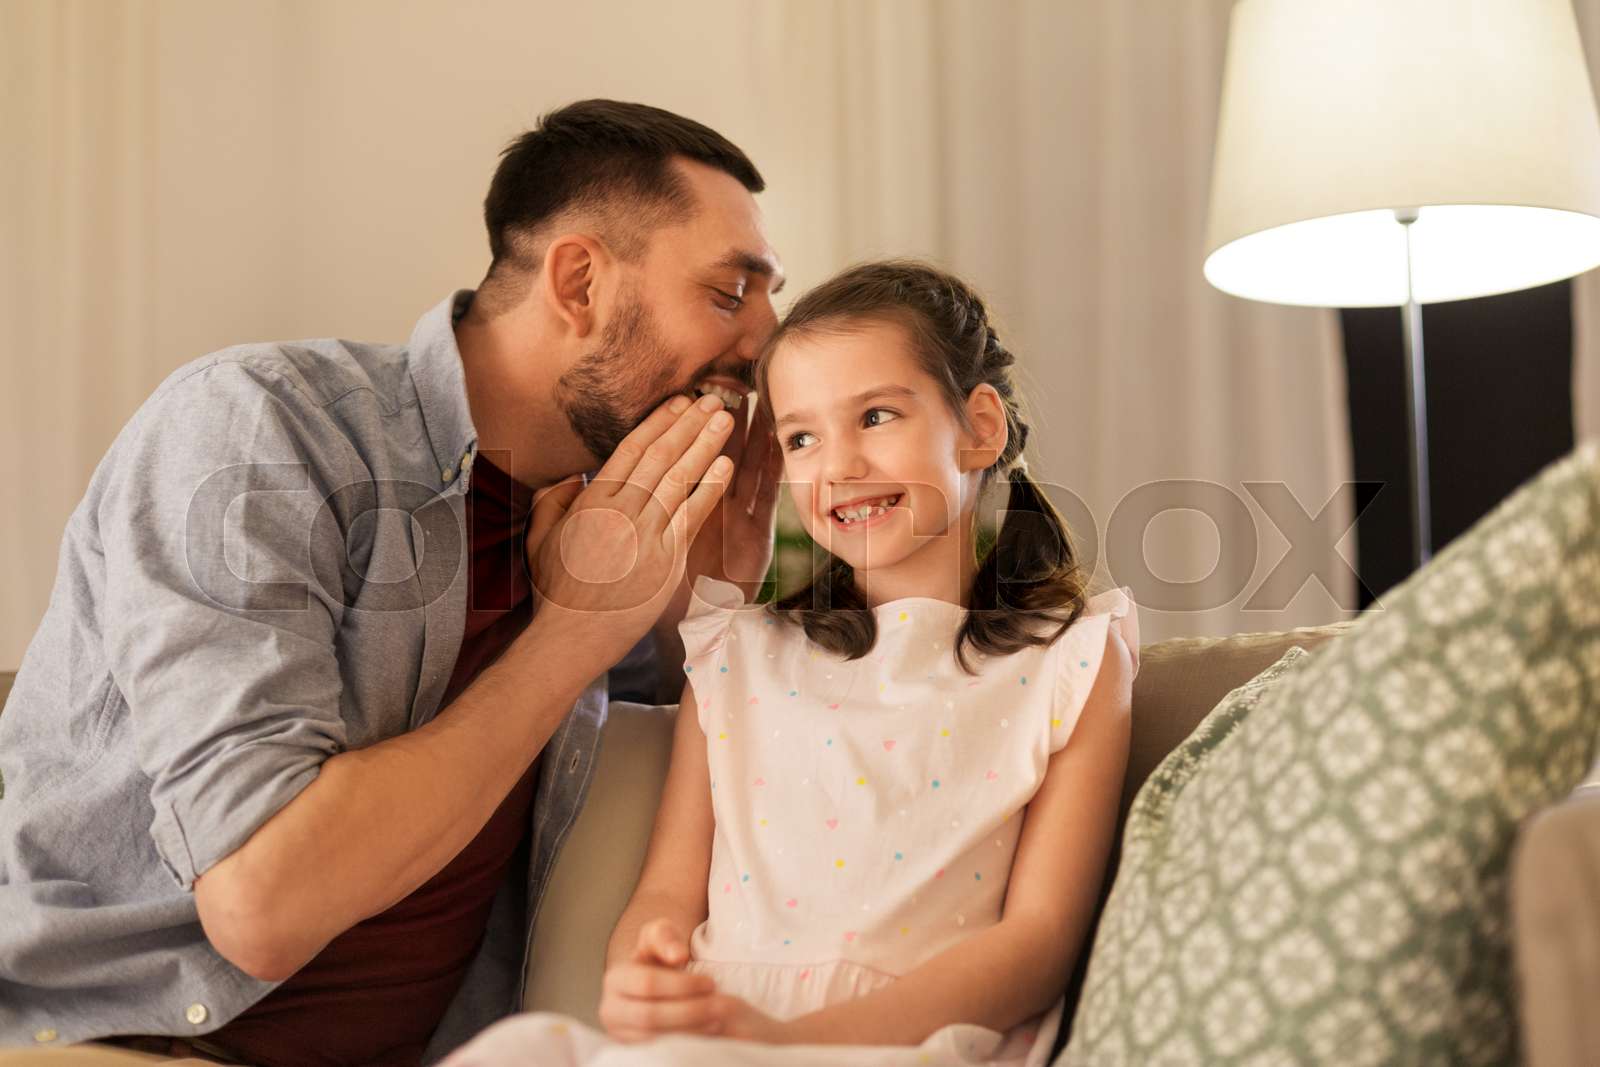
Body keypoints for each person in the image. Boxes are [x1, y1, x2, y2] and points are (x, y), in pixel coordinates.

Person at [0, 99, 786, 1066]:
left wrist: (695, 619)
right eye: (727, 292)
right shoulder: (259, 430)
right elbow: (263, 903)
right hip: (117, 1042)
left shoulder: (604, 530)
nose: (765, 339)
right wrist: (574, 631)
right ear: (579, 281)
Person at [437, 261, 1140, 1066]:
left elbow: (1037, 943)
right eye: (802, 436)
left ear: (979, 426)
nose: (838, 464)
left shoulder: (1073, 659)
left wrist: (787, 1040)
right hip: (715, 1033)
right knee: (519, 1049)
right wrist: (645, 979)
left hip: (895, 1044)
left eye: (876, 415)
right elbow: (665, 896)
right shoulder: (739, 655)